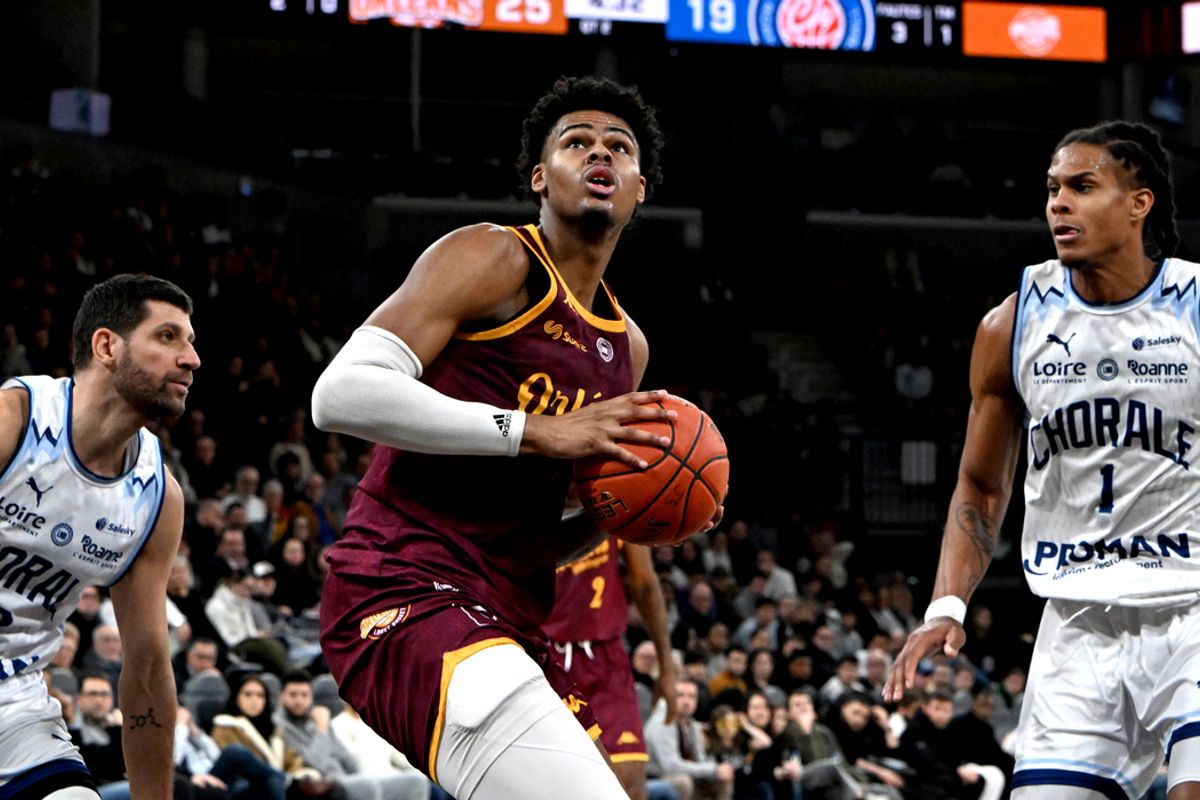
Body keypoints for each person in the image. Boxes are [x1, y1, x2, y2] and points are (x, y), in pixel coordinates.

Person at [312, 75, 718, 800]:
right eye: (577, 142)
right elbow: (338, 394)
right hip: (402, 590)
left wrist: (619, 512)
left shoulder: (628, 348)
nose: (600, 153)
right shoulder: (495, 257)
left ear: (640, 189)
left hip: (509, 614)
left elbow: (531, 531)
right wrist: (536, 430)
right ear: (540, 176)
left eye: (619, 148)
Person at [885, 120, 1200, 800]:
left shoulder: (1195, 307)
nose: (1059, 203)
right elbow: (979, 481)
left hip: (1193, 607)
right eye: (1053, 189)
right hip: (1075, 623)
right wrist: (947, 604)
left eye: (1083, 187)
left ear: (1139, 203)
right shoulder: (1013, 323)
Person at [0, 273, 198, 798]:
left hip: (15, 708)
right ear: (107, 345)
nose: (191, 359)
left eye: (191, 342)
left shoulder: (157, 497)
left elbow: (149, 667)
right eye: (168, 337)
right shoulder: (12, 423)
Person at [543, 536, 677, 800]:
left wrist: (667, 667)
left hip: (606, 656)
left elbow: (645, 583)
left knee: (630, 789)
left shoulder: (619, 498)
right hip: (545, 654)